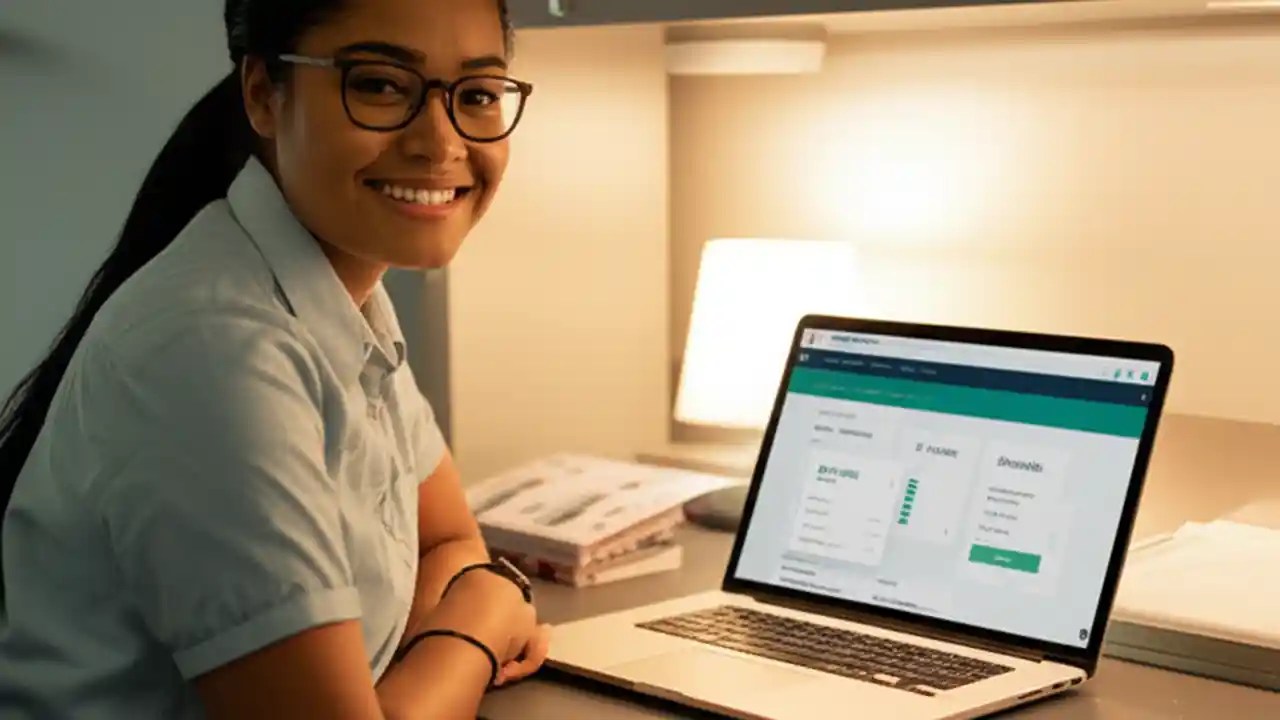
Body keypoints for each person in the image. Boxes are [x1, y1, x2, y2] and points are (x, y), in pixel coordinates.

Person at [0, 1, 549, 717]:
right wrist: (484, 621)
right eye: (380, 85)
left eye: (475, 95)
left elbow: (446, 536)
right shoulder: (215, 351)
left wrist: (448, 628)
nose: (440, 141)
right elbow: (467, 579)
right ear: (263, 93)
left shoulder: (339, 294)